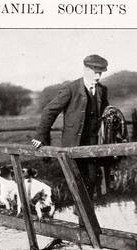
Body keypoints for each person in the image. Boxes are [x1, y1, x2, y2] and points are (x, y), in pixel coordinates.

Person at [32, 54, 109, 197]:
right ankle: (82, 214)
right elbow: (50, 110)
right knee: (76, 181)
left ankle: (84, 216)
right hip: (73, 143)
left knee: (92, 180)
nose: (98, 77)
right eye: (95, 72)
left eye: (100, 73)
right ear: (85, 69)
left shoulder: (102, 90)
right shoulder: (70, 89)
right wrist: (40, 135)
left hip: (93, 144)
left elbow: (105, 112)